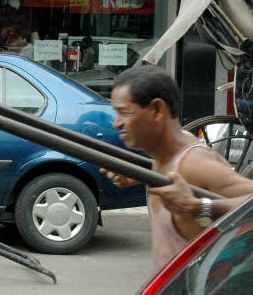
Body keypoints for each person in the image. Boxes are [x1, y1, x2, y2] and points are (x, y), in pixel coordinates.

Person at [102, 65, 253, 268]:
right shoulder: (166, 156)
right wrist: (141, 175)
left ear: (157, 109)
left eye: (125, 113)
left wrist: (199, 207)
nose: (117, 123)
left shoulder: (195, 165)